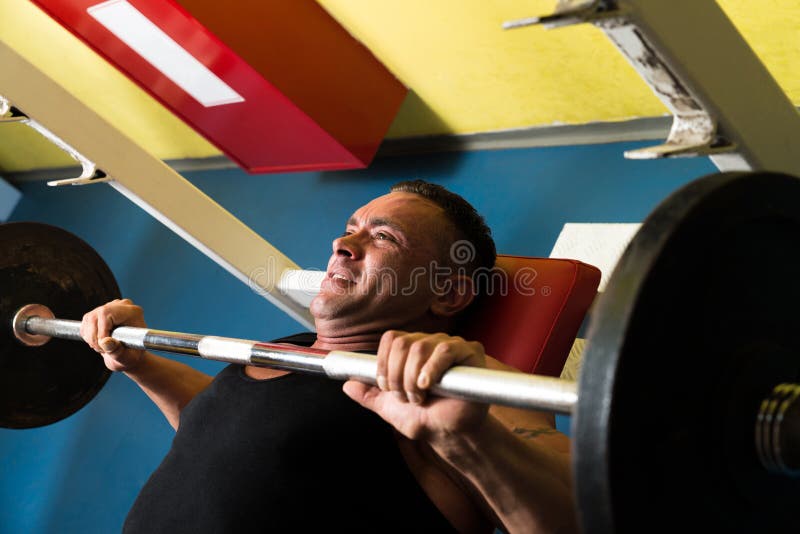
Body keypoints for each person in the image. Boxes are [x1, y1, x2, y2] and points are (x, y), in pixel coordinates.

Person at [80, 180, 578, 533]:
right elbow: (219, 428)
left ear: (448, 293)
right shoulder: (290, 349)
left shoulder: (461, 380)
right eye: (351, 228)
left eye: (383, 237)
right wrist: (140, 362)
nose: (343, 243)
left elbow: (579, 519)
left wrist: (468, 438)